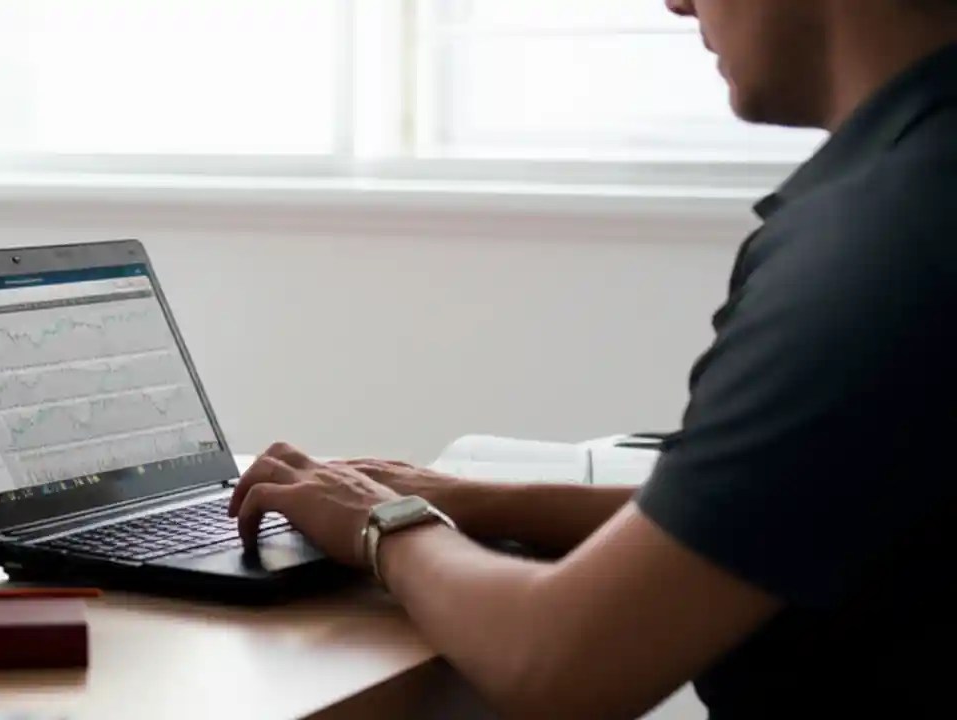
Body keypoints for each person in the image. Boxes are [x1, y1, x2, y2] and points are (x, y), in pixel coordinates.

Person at [228, 1, 957, 717]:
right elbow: (784, 511)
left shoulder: (881, 248)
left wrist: (384, 525)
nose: (674, 2)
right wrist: (476, 501)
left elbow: (556, 663)